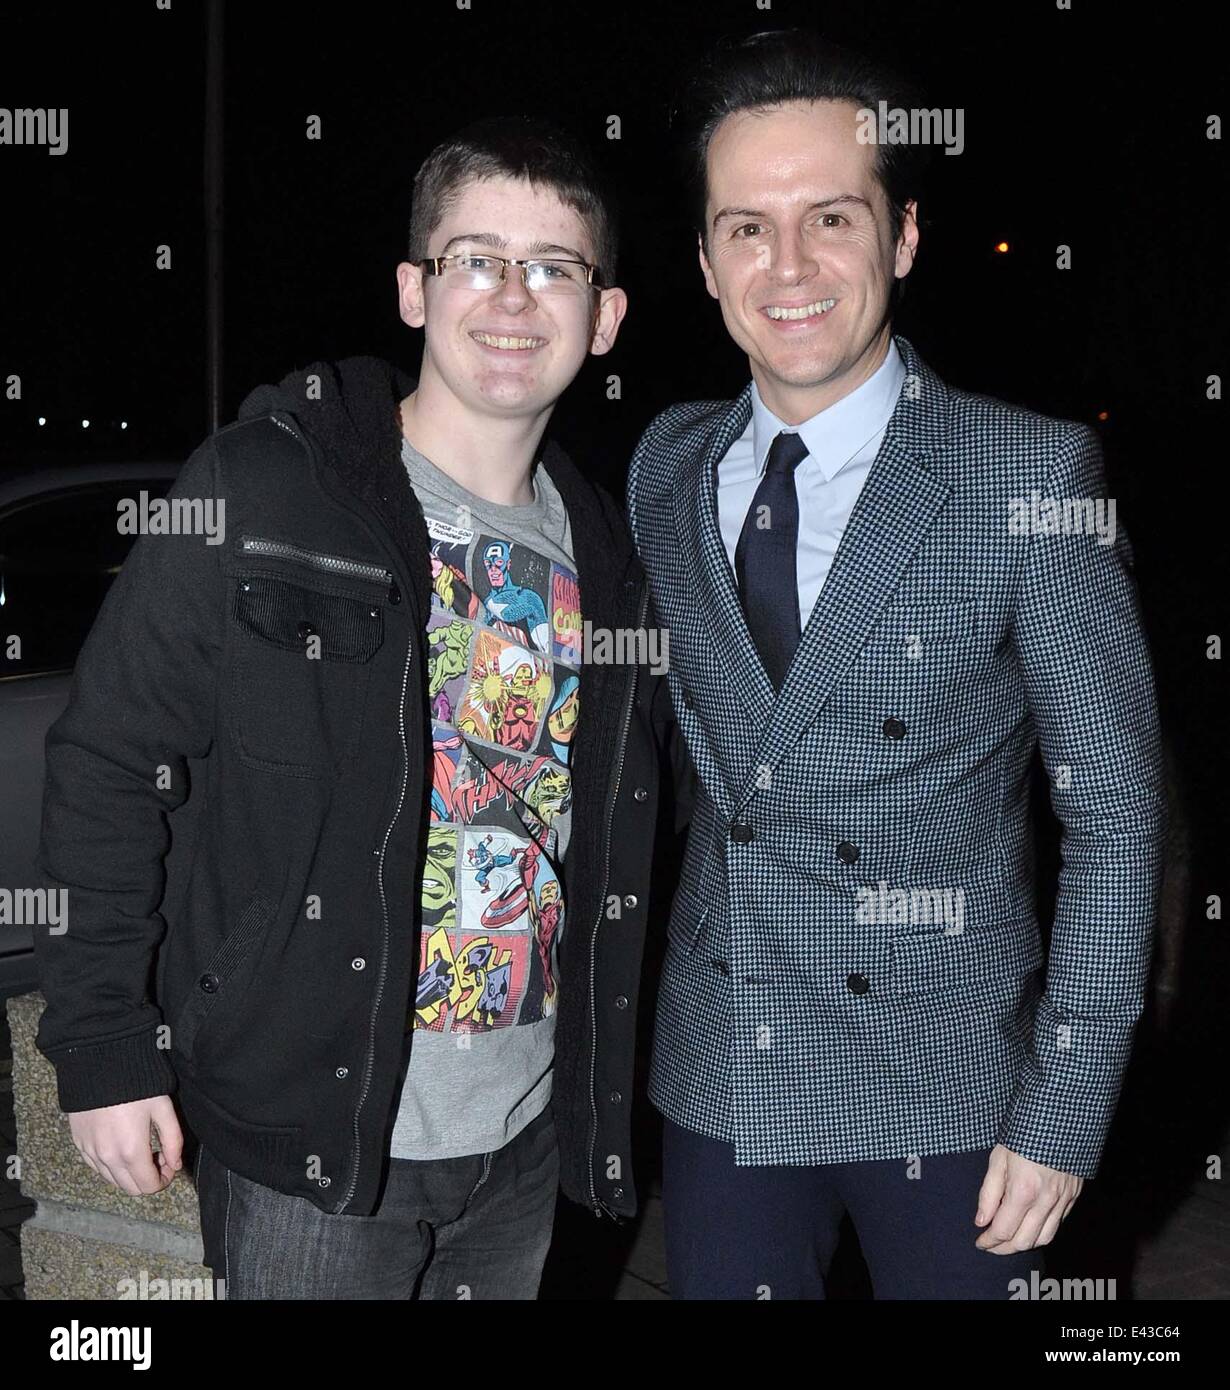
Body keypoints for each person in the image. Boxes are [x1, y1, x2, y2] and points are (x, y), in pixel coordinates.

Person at [33, 115, 662, 1299]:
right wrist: (103, 1046)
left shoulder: (615, 556)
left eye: (554, 266)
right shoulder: (258, 487)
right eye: (476, 256)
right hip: (312, 1140)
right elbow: (108, 760)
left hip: (525, 1137)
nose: (513, 297)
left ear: (605, 315)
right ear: (415, 290)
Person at [627, 30, 1167, 1300]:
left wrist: (1066, 1105)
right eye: (746, 228)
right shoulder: (666, 462)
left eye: (832, 216)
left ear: (905, 234)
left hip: (956, 1085)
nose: (791, 265)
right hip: (726, 1064)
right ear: (706, 262)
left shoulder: (1027, 477)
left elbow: (1117, 815)